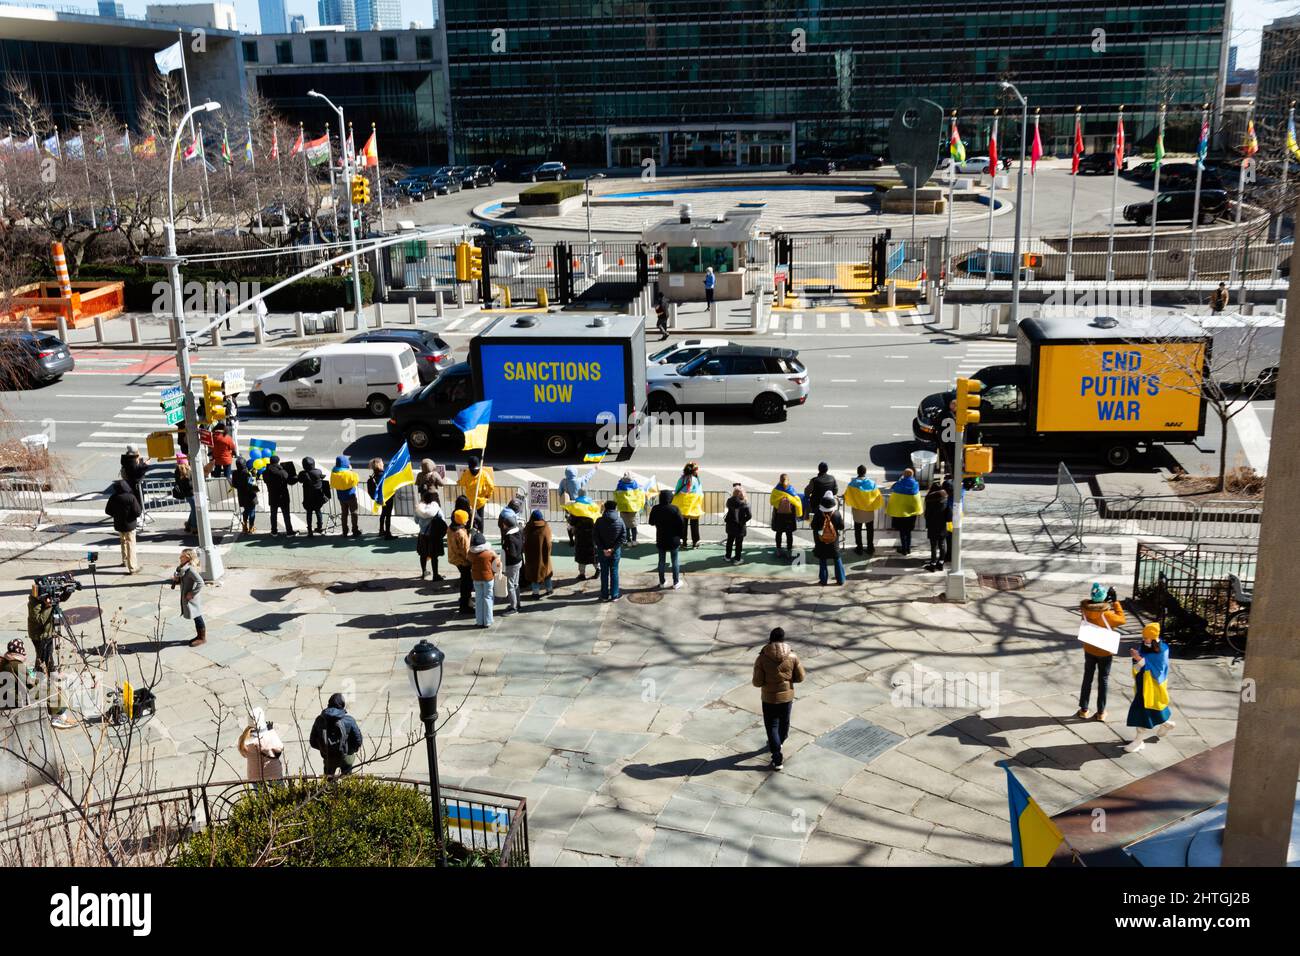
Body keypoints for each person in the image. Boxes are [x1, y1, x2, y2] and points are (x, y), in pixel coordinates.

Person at [752, 627, 806, 772]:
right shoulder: (793, 656)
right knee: (784, 722)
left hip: (769, 698)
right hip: (787, 697)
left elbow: (757, 682)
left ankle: (777, 758)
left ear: (770, 638)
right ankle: (780, 742)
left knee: (772, 727)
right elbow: (800, 677)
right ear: (783, 639)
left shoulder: (761, 658)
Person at [1077, 582, 1125, 721]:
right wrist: (1115, 602)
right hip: (1105, 651)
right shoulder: (1108, 615)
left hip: (1089, 648)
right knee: (1103, 680)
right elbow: (1122, 619)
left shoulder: (1085, 611)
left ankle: (1083, 709)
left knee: (1087, 678)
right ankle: (1101, 712)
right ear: (1104, 598)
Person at [1124, 623, 1175, 753]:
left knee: (1142, 712)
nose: (1143, 640)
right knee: (1153, 709)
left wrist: (1139, 658)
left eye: (1146, 637)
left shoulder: (1162, 650)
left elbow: (1158, 671)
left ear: (1153, 637)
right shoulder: (1145, 646)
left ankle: (1138, 741)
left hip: (1153, 685)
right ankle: (1167, 724)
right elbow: (1140, 663)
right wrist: (1136, 658)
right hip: (1143, 683)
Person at [310, 692, 363, 776]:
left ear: (329, 704)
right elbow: (358, 741)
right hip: (346, 757)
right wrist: (349, 751)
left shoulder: (319, 720)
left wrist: (324, 749)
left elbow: (312, 742)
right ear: (342, 705)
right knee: (347, 782)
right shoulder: (349, 720)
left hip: (328, 757)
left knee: (328, 782)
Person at [649, 488, 685, 589]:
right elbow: (682, 524)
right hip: (674, 539)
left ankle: (662, 582)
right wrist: (680, 536)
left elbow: (651, 522)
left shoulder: (656, 508)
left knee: (661, 561)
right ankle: (676, 582)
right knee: (675, 561)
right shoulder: (675, 509)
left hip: (661, 538)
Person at [238, 707, 286, 783]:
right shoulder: (269, 736)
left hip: (254, 776)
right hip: (274, 774)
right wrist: (272, 731)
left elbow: (244, 754)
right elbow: (280, 747)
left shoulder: (244, 739)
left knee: (260, 794)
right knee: (281, 793)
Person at [104, 478, 142, 574]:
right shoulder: (131, 497)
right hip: (130, 525)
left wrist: (116, 515)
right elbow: (138, 512)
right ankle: (132, 567)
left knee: (123, 542)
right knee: (131, 544)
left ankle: (124, 561)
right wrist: (131, 516)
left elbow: (107, 511)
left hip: (119, 524)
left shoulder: (113, 497)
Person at [169, 548, 206, 646]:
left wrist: (192, 593)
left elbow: (201, 582)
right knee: (196, 616)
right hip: (187, 597)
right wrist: (176, 579)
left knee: (197, 615)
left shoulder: (190, 569)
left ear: (188, 558)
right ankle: (199, 636)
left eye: (182, 556)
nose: (180, 557)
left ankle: (202, 638)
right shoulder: (183, 568)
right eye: (180, 555)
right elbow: (184, 580)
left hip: (192, 598)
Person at [810, 491, 846, 586]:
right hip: (833, 541)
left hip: (821, 540)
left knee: (822, 560)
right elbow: (841, 527)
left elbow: (813, 526)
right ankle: (840, 580)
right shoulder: (837, 514)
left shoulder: (818, 513)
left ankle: (823, 580)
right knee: (837, 559)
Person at [594, 499, 626, 601]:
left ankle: (604, 595)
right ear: (615, 508)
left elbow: (595, 536)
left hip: (602, 551)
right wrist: (613, 549)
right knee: (614, 571)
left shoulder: (599, 521)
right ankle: (614, 595)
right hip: (615, 551)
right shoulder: (620, 520)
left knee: (604, 572)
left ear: (605, 508)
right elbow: (623, 537)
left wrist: (603, 549)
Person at [845, 466, 882, 555]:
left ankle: (859, 548)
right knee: (870, 530)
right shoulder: (872, 483)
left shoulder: (852, 483)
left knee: (858, 530)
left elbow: (847, 496)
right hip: (869, 511)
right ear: (865, 472)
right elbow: (878, 497)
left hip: (857, 511)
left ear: (857, 472)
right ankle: (870, 547)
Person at [886, 468, 923, 555]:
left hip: (901, 512)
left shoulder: (899, 483)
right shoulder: (915, 484)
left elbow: (893, 487)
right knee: (908, 531)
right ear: (912, 475)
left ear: (904, 475)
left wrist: (901, 479)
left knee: (902, 532)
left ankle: (904, 549)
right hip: (911, 511)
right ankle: (908, 548)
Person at [560, 464, 597, 546]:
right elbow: (588, 476)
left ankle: (571, 541)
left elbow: (560, 492)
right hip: (579, 506)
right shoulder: (579, 480)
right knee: (579, 523)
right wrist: (594, 469)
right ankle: (578, 539)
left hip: (568, 507)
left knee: (570, 524)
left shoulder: (563, 482)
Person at [470, 531, 501, 627]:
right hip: (488, 578)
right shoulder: (489, 553)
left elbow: (468, 559)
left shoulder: (471, 553)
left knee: (478, 599)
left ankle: (479, 621)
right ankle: (488, 621)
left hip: (476, 578)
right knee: (488, 598)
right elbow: (498, 563)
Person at [262, 455, 298, 537]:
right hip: (283, 496)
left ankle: (274, 531)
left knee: (273, 514)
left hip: (272, 496)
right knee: (286, 515)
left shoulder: (265, 473)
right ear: (278, 462)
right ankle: (289, 531)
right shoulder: (282, 472)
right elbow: (289, 480)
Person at [456, 455, 495, 531]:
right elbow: (491, 485)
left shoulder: (466, 473)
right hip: (481, 500)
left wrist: (458, 482)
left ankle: (471, 531)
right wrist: (488, 495)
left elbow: (461, 483)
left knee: (469, 517)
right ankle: (481, 533)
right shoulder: (483, 473)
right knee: (481, 517)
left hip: (469, 501)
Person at [415, 489, 447, 580]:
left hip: (422, 534)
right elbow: (442, 520)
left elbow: (416, 521)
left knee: (422, 554)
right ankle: (435, 575)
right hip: (433, 535)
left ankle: (424, 572)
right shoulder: (436, 509)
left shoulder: (419, 509)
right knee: (434, 556)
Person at [447, 508, 473, 616]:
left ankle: (465, 602)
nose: (467, 521)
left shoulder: (451, 528)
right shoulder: (461, 533)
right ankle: (464, 605)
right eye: (466, 519)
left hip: (455, 558)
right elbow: (466, 551)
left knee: (464, 580)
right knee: (466, 582)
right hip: (463, 561)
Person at [523, 509, 555, 599]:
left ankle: (535, 593)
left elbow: (525, 541)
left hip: (532, 555)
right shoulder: (545, 527)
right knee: (546, 572)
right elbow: (549, 543)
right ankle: (549, 589)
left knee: (534, 574)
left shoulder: (528, 527)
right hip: (543, 554)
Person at [498, 507, 524, 613]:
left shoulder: (509, 537)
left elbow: (511, 553)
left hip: (512, 564)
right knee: (515, 584)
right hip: (519, 561)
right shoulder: (519, 531)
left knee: (510, 585)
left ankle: (513, 606)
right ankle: (518, 603)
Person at [26, 585, 56, 675]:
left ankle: (49, 672)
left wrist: (67, 592)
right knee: (42, 657)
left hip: (47, 632)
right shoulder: (34, 603)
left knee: (47, 654)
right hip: (38, 635)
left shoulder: (46, 599)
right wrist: (48, 606)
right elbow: (40, 619)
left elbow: (61, 598)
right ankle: (39, 676)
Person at [329, 455, 361, 537]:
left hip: (341, 497)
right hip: (350, 496)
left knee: (344, 514)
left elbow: (332, 484)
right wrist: (350, 470)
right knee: (354, 513)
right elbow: (356, 481)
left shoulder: (334, 473)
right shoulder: (350, 474)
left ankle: (345, 531)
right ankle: (355, 530)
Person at [771, 474, 801, 558]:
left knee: (779, 533)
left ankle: (778, 550)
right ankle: (789, 551)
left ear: (780, 480)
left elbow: (772, 501)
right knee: (789, 534)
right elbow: (797, 501)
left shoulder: (776, 490)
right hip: (789, 517)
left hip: (779, 516)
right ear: (788, 480)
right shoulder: (791, 490)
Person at [673, 463, 703, 548]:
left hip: (682, 506)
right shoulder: (696, 479)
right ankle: (695, 542)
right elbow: (699, 491)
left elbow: (676, 490)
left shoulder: (681, 479)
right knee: (694, 525)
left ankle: (684, 542)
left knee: (683, 525)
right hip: (693, 505)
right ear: (694, 471)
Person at [120, 444, 150, 525]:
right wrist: (145, 465)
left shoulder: (129, 458)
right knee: (137, 501)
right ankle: (138, 518)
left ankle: (141, 514)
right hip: (135, 484)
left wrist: (142, 463)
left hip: (136, 484)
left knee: (140, 500)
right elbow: (136, 472)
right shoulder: (131, 460)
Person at [923, 482, 950, 572]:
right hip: (942, 524)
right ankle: (941, 563)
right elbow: (948, 512)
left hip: (932, 524)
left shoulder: (929, 498)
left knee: (933, 545)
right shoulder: (945, 497)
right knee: (942, 544)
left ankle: (933, 564)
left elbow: (927, 514)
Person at [366, 457, 396, 539]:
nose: (383, 464)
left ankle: (381, 530)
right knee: (388, 515)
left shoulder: (374, 475)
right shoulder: (384, 475)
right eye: (382, 462)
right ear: (379, 465)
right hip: (388, 497)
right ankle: (388, 534)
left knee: (383, 513)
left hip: (380, 498)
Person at [614, 472, 645, 545]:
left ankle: (628, 541)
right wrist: (641, 506)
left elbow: (616, 496)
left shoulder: (620, 485)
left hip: (623, 509)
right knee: (633, 526)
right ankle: (634, 541)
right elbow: (641, 497)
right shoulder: (636, 485)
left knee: (626, 527)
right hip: (634, 509)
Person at [570, 496, 597, 580]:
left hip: (580, 536)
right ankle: (598, 569)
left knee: (581, 556)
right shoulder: (592, 508)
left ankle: (582, 574)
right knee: (593, 555)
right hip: (591, 536)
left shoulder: (576, 510)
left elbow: (571, 522)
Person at [299, 457, 328, 536]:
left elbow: (300, 480)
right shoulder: (318, 471)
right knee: (318, 511)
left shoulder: (302, 474)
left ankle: (309, 530)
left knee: (309, 513)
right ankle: (319, 527)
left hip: (308, 497)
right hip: (318, 497)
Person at [230, 458, 259, 534]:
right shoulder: (248, 472)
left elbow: (234, 484)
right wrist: (255, 474)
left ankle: (245, 526)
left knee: (246, 510)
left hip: (242, 495)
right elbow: (253, 483)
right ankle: (251, 527)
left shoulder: (235, 473)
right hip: (250, 495)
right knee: (252, 511)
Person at [1, 638, 32, 709]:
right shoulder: (17, 665)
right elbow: (30, 683)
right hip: (15, 700)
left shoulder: (4, 661)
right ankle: (55, 717)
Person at [724, 484, 752, 563]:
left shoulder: (730, 501)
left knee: (729, 541)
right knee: (738, 544)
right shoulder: (746, 503)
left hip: (730, 524)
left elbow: (727, 506)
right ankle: (737, 559)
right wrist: (743, 521)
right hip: (740, 526)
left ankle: (727, 557)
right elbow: (749, 516)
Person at [173, 455, 196, 535]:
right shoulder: (185, 471)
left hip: (187, 494)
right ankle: (194, 527)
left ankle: (189, 525)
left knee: (194, 509)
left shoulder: (178, 471)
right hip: (190, 494)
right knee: (195, 510)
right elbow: (189, 485)